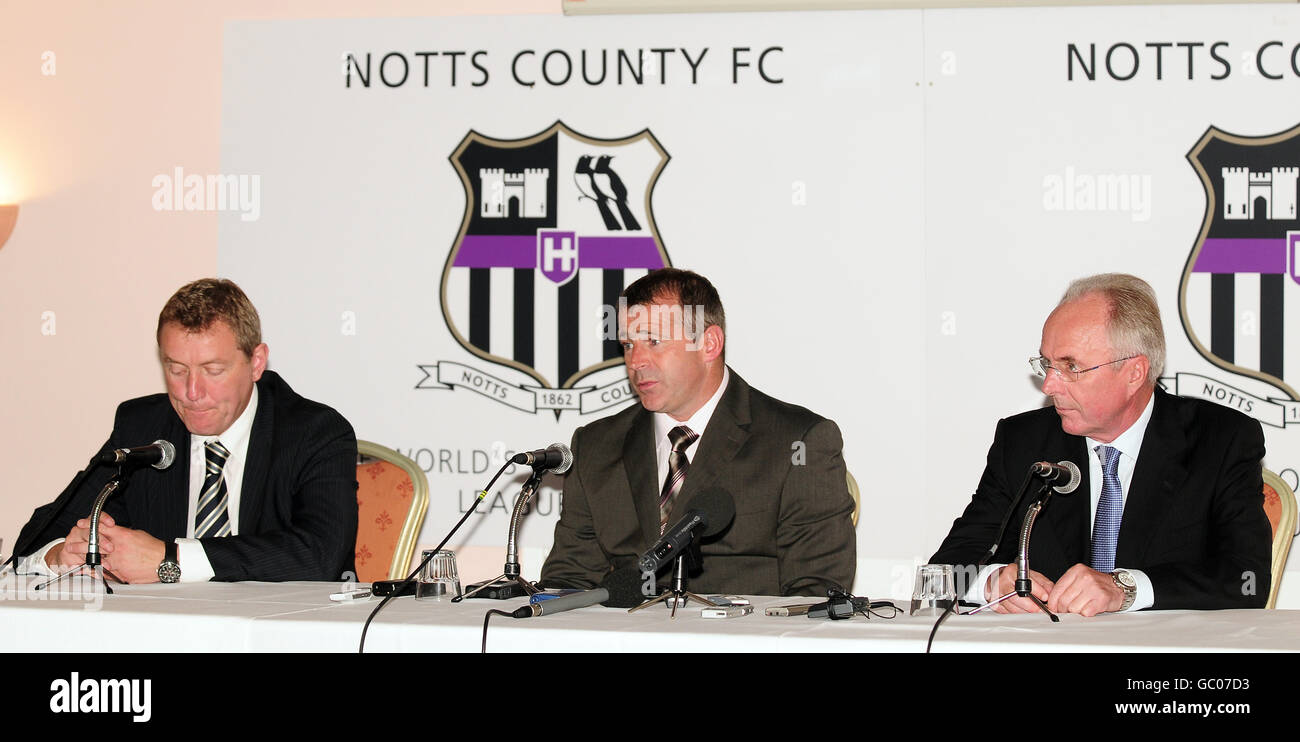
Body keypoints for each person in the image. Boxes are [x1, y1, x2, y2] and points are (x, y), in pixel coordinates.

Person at [931, 273, 1271, 614]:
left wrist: (1126, 588)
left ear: (1134, 373)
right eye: (1047, 364)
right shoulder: (1024, 442)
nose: (1049, 385)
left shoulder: (1221, 440)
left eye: (1071, 366)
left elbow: (1248, 580)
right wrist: (992, 582)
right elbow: (942, 572)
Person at [11, 278, 358, 583]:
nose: (192, 392)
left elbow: (321, 555)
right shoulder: (141, 427)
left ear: (256, 363)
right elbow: (33, 540)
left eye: (213, 370)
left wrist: (171, 559)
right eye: (177, 370)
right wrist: (61, 554)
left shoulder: (315, 433)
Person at [540, 268, 856, 596]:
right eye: (628, 345)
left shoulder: (798, 442)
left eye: (653, 341)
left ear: (709, 344)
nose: (636, 361)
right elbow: (567, 582)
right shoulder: (595, 445)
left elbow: (815, 592)